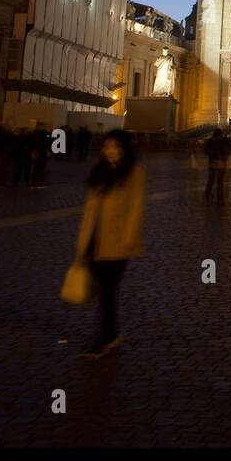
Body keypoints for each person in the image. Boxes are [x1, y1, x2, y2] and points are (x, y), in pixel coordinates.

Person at [73, 130, 146, 361]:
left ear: (124, 148)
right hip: (95, 240)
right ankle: (111, 333)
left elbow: (136, 209)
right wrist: (82, 243)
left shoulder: (135, 173)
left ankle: (104, 337)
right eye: (106, 147)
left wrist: (128, 239)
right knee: (104, 291)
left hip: (117, 244)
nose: (110, 151)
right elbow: (89, 211)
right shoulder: (99, 172)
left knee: (106, 291)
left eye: (114, 146)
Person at [203, 128, 230, 204]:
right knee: (216, 181)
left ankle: (213, 197)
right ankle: (217, 198)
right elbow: (227, 151)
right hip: (218, 162)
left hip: (216, 162)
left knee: (214, 181)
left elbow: (206, 151)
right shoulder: (220, 141)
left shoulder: (211, 141)